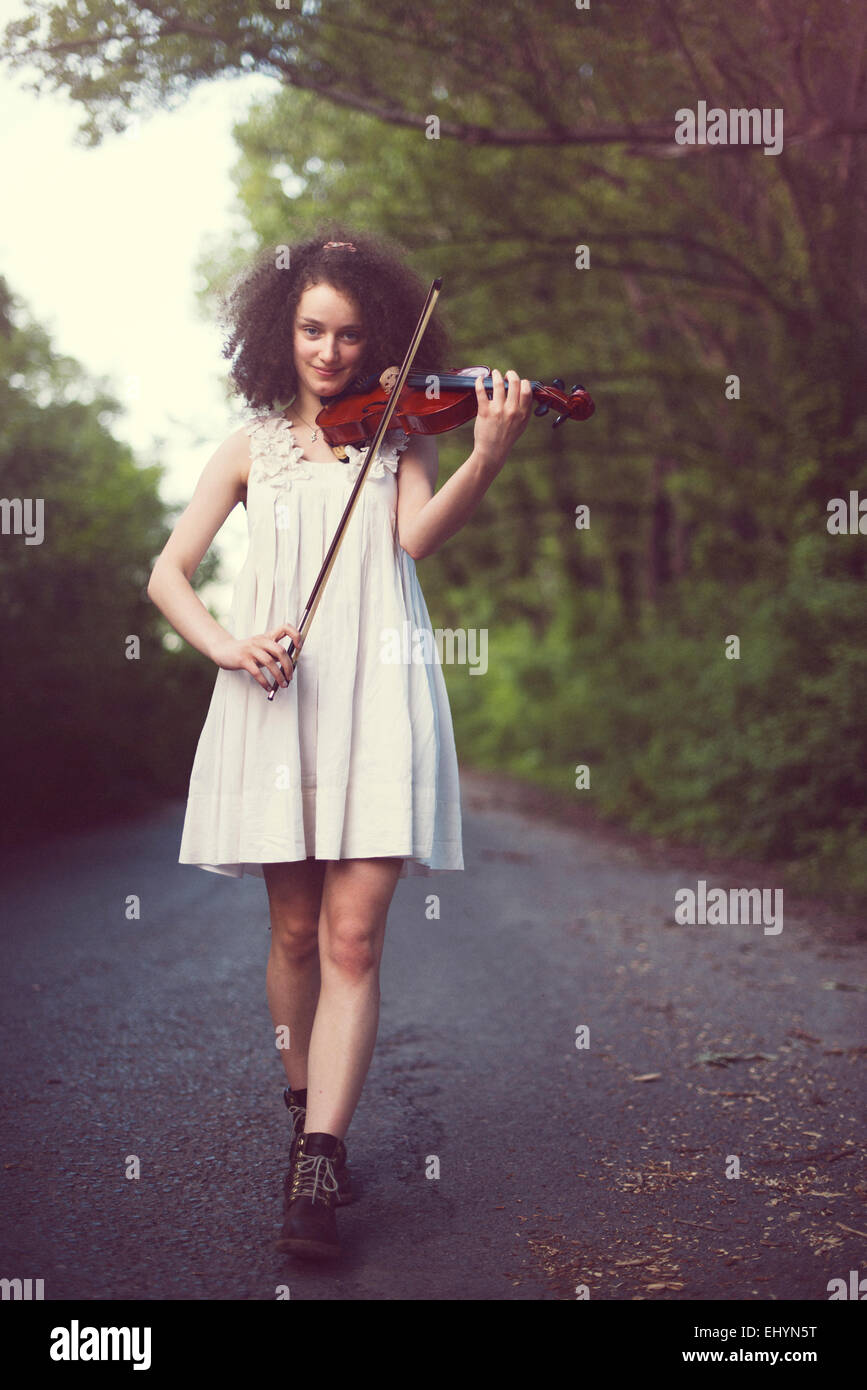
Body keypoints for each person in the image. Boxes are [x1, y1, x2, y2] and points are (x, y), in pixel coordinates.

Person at [146, 229, 534, 1261]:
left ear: (378, 343)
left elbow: (411, 540)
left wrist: (487, 453)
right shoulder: (247, 446)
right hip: (278, 698)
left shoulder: (402, 438)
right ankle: (303, 1100)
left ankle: (317, 1162)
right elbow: (168, 574)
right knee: (293, 933)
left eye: (352, 335)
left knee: (354, 940)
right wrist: (230, 645)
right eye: (313, 330)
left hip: (379, 697)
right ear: (284, 330)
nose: (330, 352)